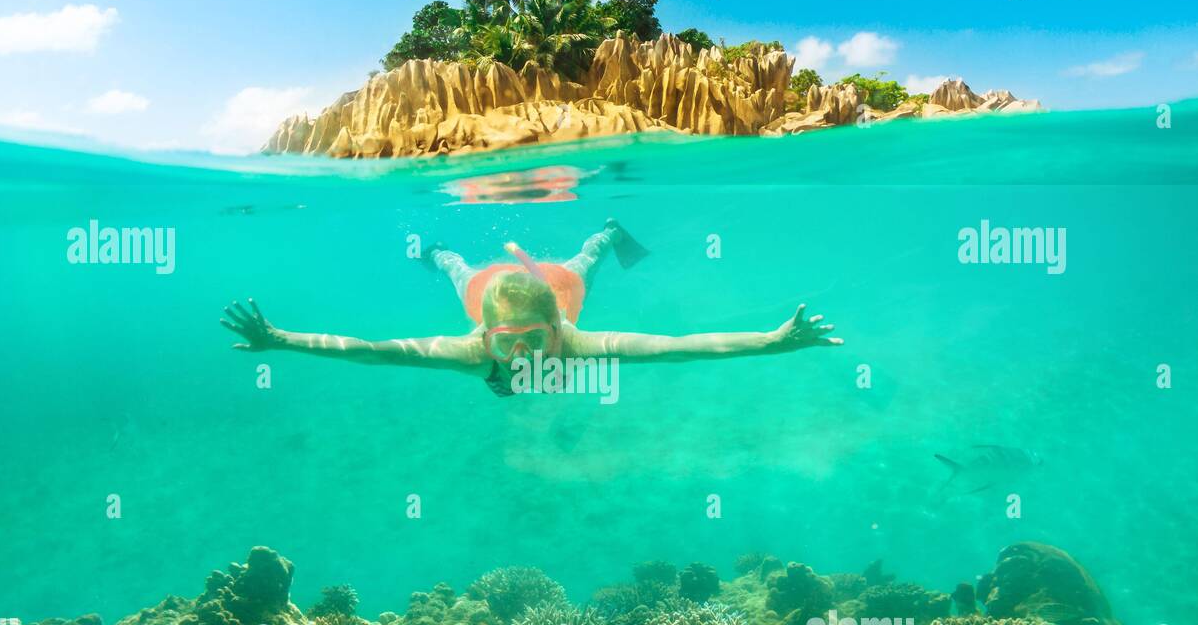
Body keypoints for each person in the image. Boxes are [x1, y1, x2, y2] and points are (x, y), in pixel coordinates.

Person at [220, 219, 842, 397]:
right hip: (486, 286)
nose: (518, 357)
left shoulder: (573, 334)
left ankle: (606, 231)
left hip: (555, 282)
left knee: (587, 259)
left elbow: (681, 348)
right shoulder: (475, 342)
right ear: (485, 335)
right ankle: (437, 250)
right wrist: (278, 339)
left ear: (556, 332)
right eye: (505, 343)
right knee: (458, 271)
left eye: (534, 344)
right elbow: (373, 353)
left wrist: (772, 339)